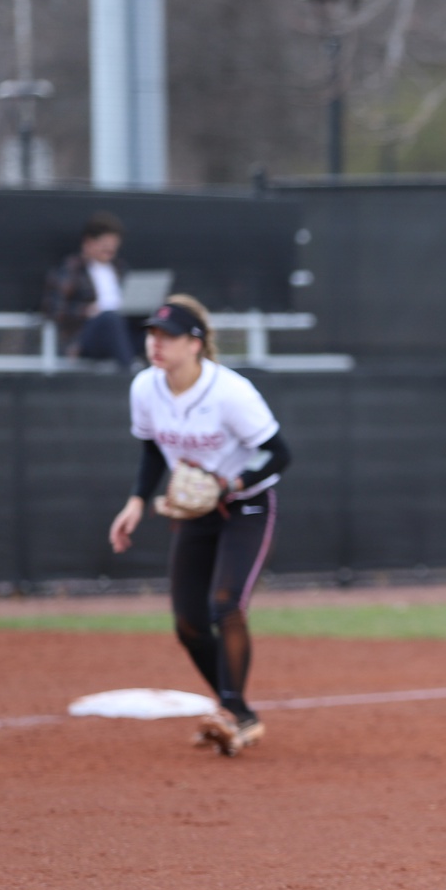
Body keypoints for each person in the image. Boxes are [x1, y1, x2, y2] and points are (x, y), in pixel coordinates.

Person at [107, 295, 292, 756]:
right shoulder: (146, 388)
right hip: (193, 513)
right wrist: (135, 502)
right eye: (152, 334)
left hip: (245, 508)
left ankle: (230, 712)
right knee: (189, 624)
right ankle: (239, 711)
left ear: (194, 344)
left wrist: (232, 482)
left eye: (167, 336)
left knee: (225, 603)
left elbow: (278, 452)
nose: (156, 343)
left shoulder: (229, 392)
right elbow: (152, 450)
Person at [43, 212, 137, 369]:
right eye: (105, 243)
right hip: (85, 337)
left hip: (123, 329)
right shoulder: (71, 269)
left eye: (114, 243)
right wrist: (86, 310)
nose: (110, 248)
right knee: (109, 318)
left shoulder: (120, 269)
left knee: (153, 325)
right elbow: (53, 309)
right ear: (88, 243)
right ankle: (129, 372)